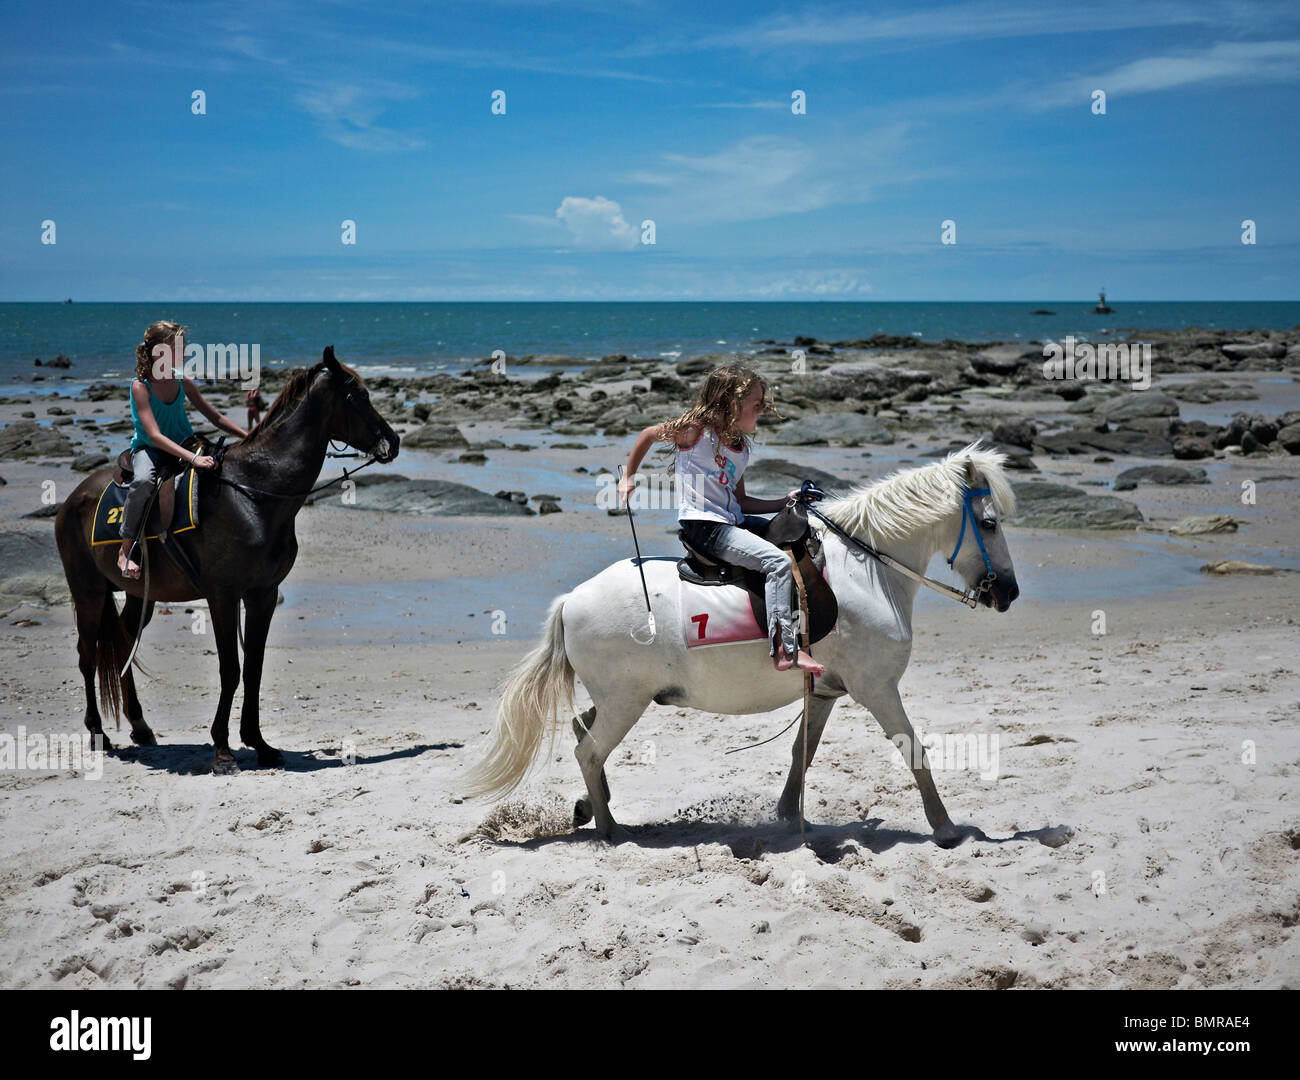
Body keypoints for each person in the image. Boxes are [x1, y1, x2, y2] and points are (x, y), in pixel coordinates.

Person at [619, 364, 824, 675]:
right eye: (757, 404)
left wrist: (785, 501)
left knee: (796, 530)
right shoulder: (694, 431)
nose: (762, 410)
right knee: (777, 563)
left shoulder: (738, 447)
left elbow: (740, 502)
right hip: (705, 528)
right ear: (732, 403)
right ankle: (784, 649)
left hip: (731, 521)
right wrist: (628, 477)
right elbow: (648, 434)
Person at [116, 321, 248, 580]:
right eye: (176, 347)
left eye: (183, 347)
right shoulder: (140, 386)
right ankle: (125, 548)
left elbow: (216, 417)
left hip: (187, 443)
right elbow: (154, 435)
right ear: (157, 351)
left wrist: (249, 436)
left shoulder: (182, 381)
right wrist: (193, 459)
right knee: (143, 481)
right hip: (151, 449)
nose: (183, 352)